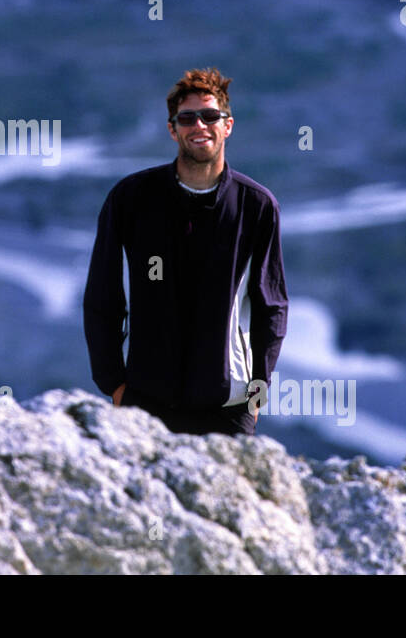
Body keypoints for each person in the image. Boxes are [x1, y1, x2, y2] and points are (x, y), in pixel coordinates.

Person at [83, 67, 288, 437]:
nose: (199, 125)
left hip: (228, 408)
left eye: (211, 116)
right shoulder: (130, 198)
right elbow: (103, 297)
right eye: (187, 118)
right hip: (145, 404)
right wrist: (113, 383)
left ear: (228, 126)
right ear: (172, 128)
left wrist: (259, 389)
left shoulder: (256, 206)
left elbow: (270, 306)